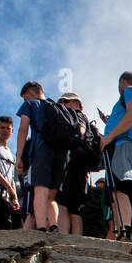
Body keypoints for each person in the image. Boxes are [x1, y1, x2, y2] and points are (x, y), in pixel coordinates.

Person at [98, 71, 132, 240]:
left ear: (122, 82)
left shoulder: (129, 90)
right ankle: (121, 231)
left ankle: (124, 230)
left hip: (122, 146)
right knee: (116, 190)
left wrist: (109, 136)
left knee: (120, 189)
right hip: (125, 146)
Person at [15, 81, 68, 232]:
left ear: (29, 93)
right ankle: (54, 225)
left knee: (40, 190)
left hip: (41, 150)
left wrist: (19, 156)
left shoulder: (31, 104)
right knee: (52, 196)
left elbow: (23, 129)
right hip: (61, 154)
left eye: (24, 97)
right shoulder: (59, 107)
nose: (24, 100)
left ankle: (40, 228)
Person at [55, 93, 97, 236]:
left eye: (64, 102)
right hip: (83, 169)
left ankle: (63, 237)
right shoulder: (88, 122)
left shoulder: (75, 116)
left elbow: (78, 132)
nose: (62, 105)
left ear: (73, 102)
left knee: (63, 204)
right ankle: (77, 240)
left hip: (72, 165)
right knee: (75, 208)